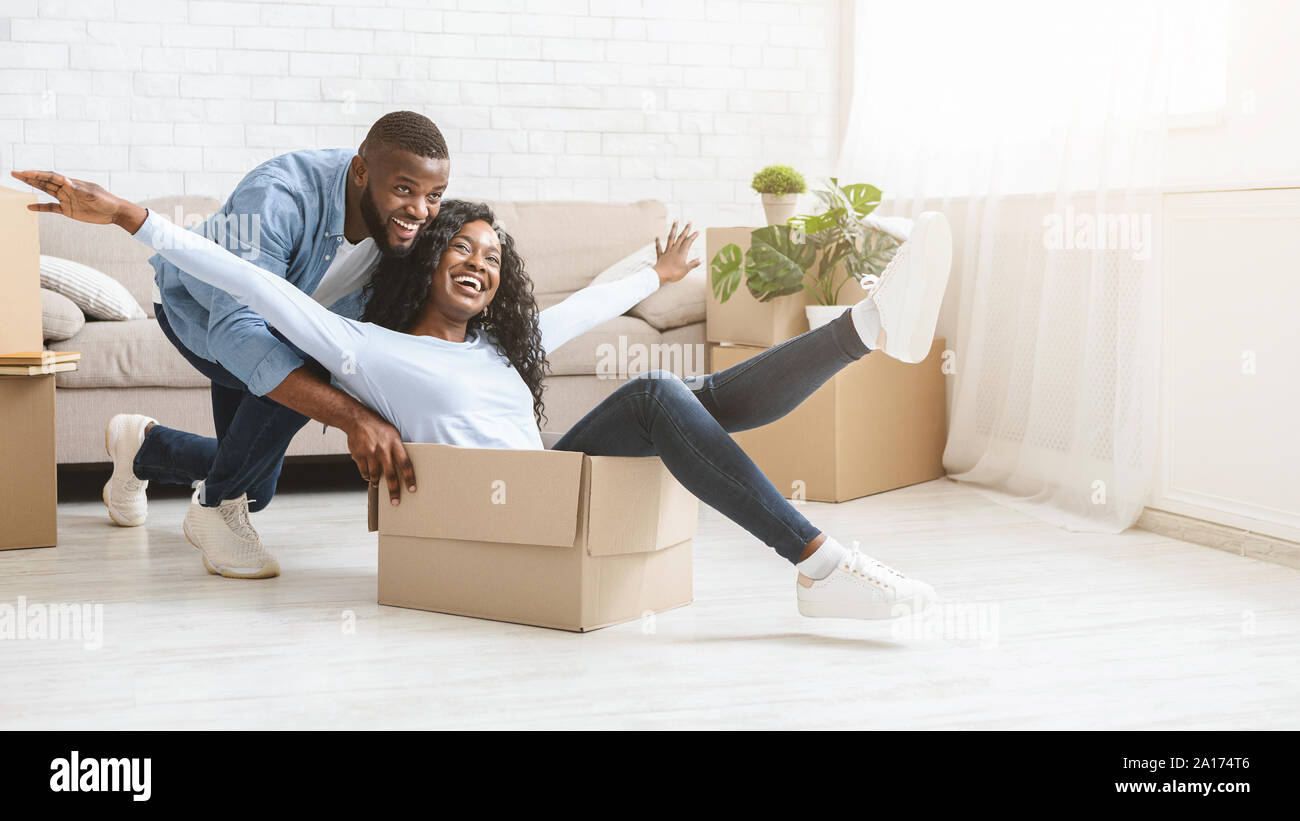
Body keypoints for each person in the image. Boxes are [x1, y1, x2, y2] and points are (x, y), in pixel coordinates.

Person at [15, 169, 953, 621]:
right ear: (427, 262)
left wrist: (653, 270)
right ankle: (822, 566)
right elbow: (257, 288)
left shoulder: (506, 350)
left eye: (494, 258)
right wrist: (136, 218)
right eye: (462, 249)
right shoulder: (368, 347)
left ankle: (868, 332)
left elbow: (582, 303)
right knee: (675, 404)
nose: (479, 262)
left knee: (690, 397)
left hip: (545, 484)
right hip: (508, 511)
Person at [98, 111, 451, 579]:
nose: (420, 210)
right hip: (203, 313)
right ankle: (213, 505)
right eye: (404, 190)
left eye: (434, 196)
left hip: (284, 331)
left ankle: (142, 446)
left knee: (256, 487)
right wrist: (353, 417)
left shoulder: (410, 230)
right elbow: (235, 328)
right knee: (311, 363)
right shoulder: (277, 194)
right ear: (361, 171)